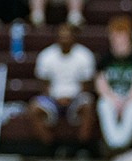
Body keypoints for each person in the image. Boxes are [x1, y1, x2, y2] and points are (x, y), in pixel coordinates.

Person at [30, 23, 97, 154]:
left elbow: (86, 86)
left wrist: (70, 98)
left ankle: (81, 147)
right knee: (34, 108)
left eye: (68, 35)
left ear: (74, 37)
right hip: (52, 99)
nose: (65, 38)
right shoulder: (46, 55)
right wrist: (55, 98)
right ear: (56, 38)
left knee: (88, 105)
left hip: (76, 98)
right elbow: (43, 84)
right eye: (62, 36)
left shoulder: (84, 55)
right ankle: (51, 147)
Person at [94, 16, 132, 161]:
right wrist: (113, 99)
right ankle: (116, 146)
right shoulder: (105, 58)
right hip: (112, 98)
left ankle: (119, 146)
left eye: (121, 36)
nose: (118, 40)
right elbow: (100, 83)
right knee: (103, 105)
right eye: (115, 36)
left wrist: (127, 100)